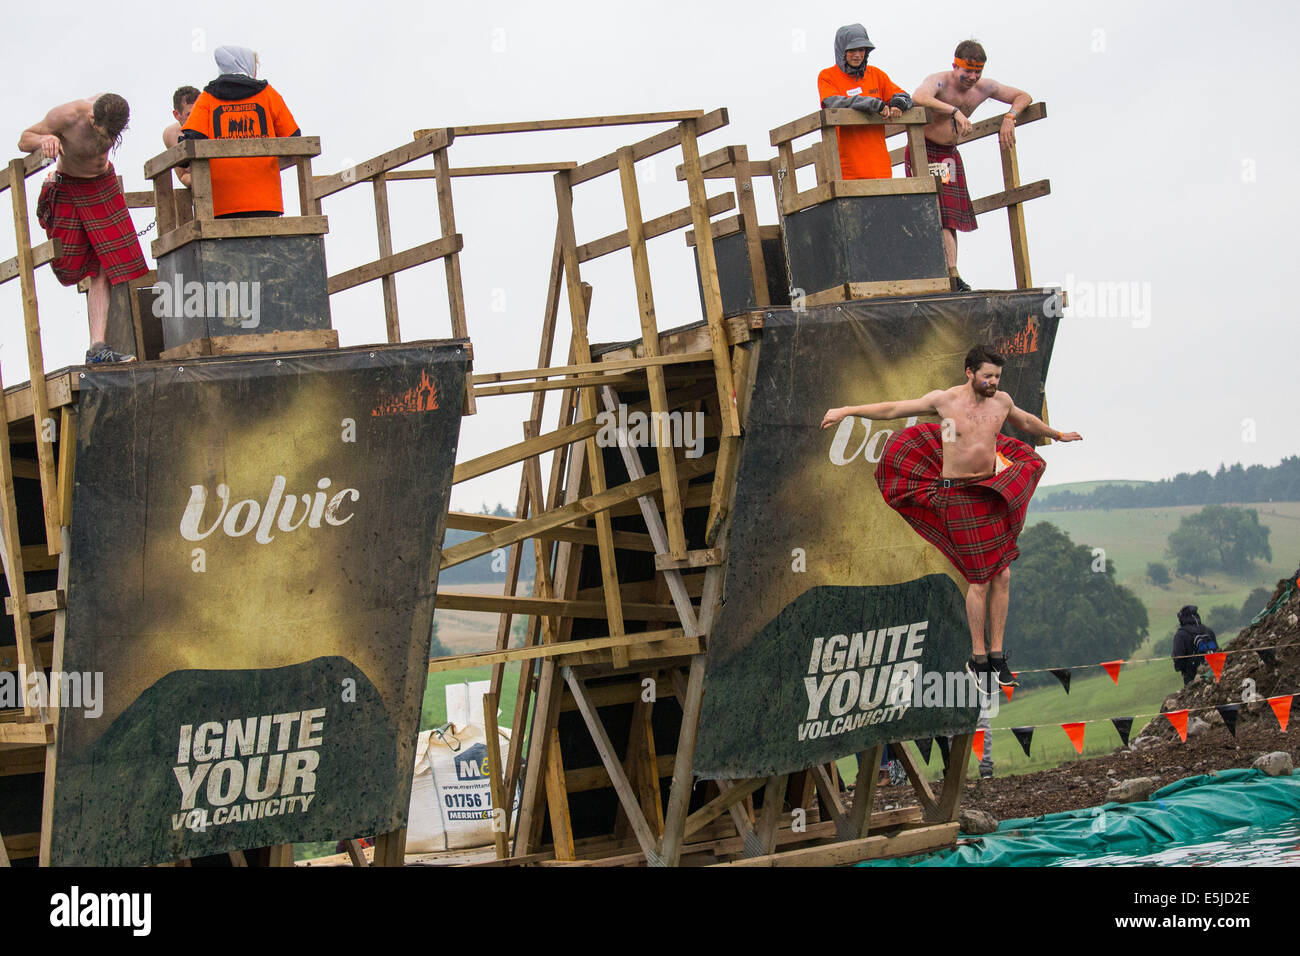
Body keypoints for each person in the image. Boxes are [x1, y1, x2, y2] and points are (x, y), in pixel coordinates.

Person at [820, 345, 1082, 686]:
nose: (993, 382)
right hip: (957, 496)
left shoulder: (1001, 401)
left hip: (989, 490)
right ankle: (977, 657)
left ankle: (998, 656)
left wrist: (1056, 434)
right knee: (981, 578)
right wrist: (846, 410)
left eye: (997, 377)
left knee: (1002, 575)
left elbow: (1025, 421)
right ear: (969, 372)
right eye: (987, 376)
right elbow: (893, 408)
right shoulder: (944, 401)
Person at [18, 93, 148, 364]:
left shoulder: (112, 114)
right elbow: (23, 139)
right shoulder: (66, 116)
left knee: (106, 265)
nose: (107, 139)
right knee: (70, 263)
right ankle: (95, 347)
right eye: (103, 132)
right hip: (69, 185)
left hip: (102, 184)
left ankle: (97, 347)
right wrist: (44, 139)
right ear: (91, 118)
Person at [909, 40, 1032, 292]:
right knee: (937, 213)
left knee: (950, 217)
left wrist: (1010, 117)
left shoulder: (984, 87)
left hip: (949, 154)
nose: (972, 77)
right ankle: (948, 275)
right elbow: (918, 96)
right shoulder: (940, 81)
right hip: (925, 150)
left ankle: (951, 273)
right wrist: (954, 111)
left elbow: (1023, 96)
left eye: (978, 72)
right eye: (967, 71)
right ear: (955, 65)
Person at [180, 45, 300, 218]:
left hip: (220, 206)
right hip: (266, 202)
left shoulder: (207, 98)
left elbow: (188, 146)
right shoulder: (267, 94)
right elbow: (294, 139)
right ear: (246, 66)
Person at [816, 24, 913, 180]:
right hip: (847, 174)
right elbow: (832, 102)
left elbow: (904, 96)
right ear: (842, 51)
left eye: (861, 50)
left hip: (881, 171)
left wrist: (897, 104)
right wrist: (872, 104)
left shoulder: (876, 74)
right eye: (852, 50)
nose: (857, 55)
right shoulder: (827, 76)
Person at [163, 85, 200, 187]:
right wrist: (202, 179)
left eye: (199, 113)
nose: (196, 119)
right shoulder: (171, 135)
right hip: (200, 187)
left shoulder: (214, 125)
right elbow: (182, 175)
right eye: (190, 115)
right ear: (177, 115)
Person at [1171, 605, 1217, 686]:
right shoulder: (1208, 631)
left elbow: (1178, 663)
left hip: (1193, 678)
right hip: (1214, 675)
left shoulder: (1180, 635)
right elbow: (1217, 651)